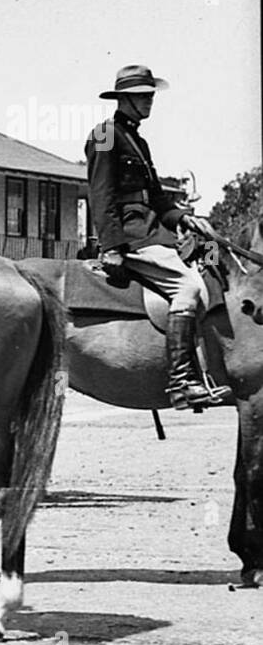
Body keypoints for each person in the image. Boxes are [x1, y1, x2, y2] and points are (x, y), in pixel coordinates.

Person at [85, 64, 224, 409]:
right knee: (187, 287)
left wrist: (187, 219)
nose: (149, 102)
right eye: (143, 96)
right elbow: (100, 194)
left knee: (210, 255)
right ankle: (181, 383)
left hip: (154, 232)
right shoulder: (104, 133)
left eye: (151, 96)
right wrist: (112, 247)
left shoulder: (138, 140)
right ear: (124, 98)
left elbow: (157, 197)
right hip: (133, 239)